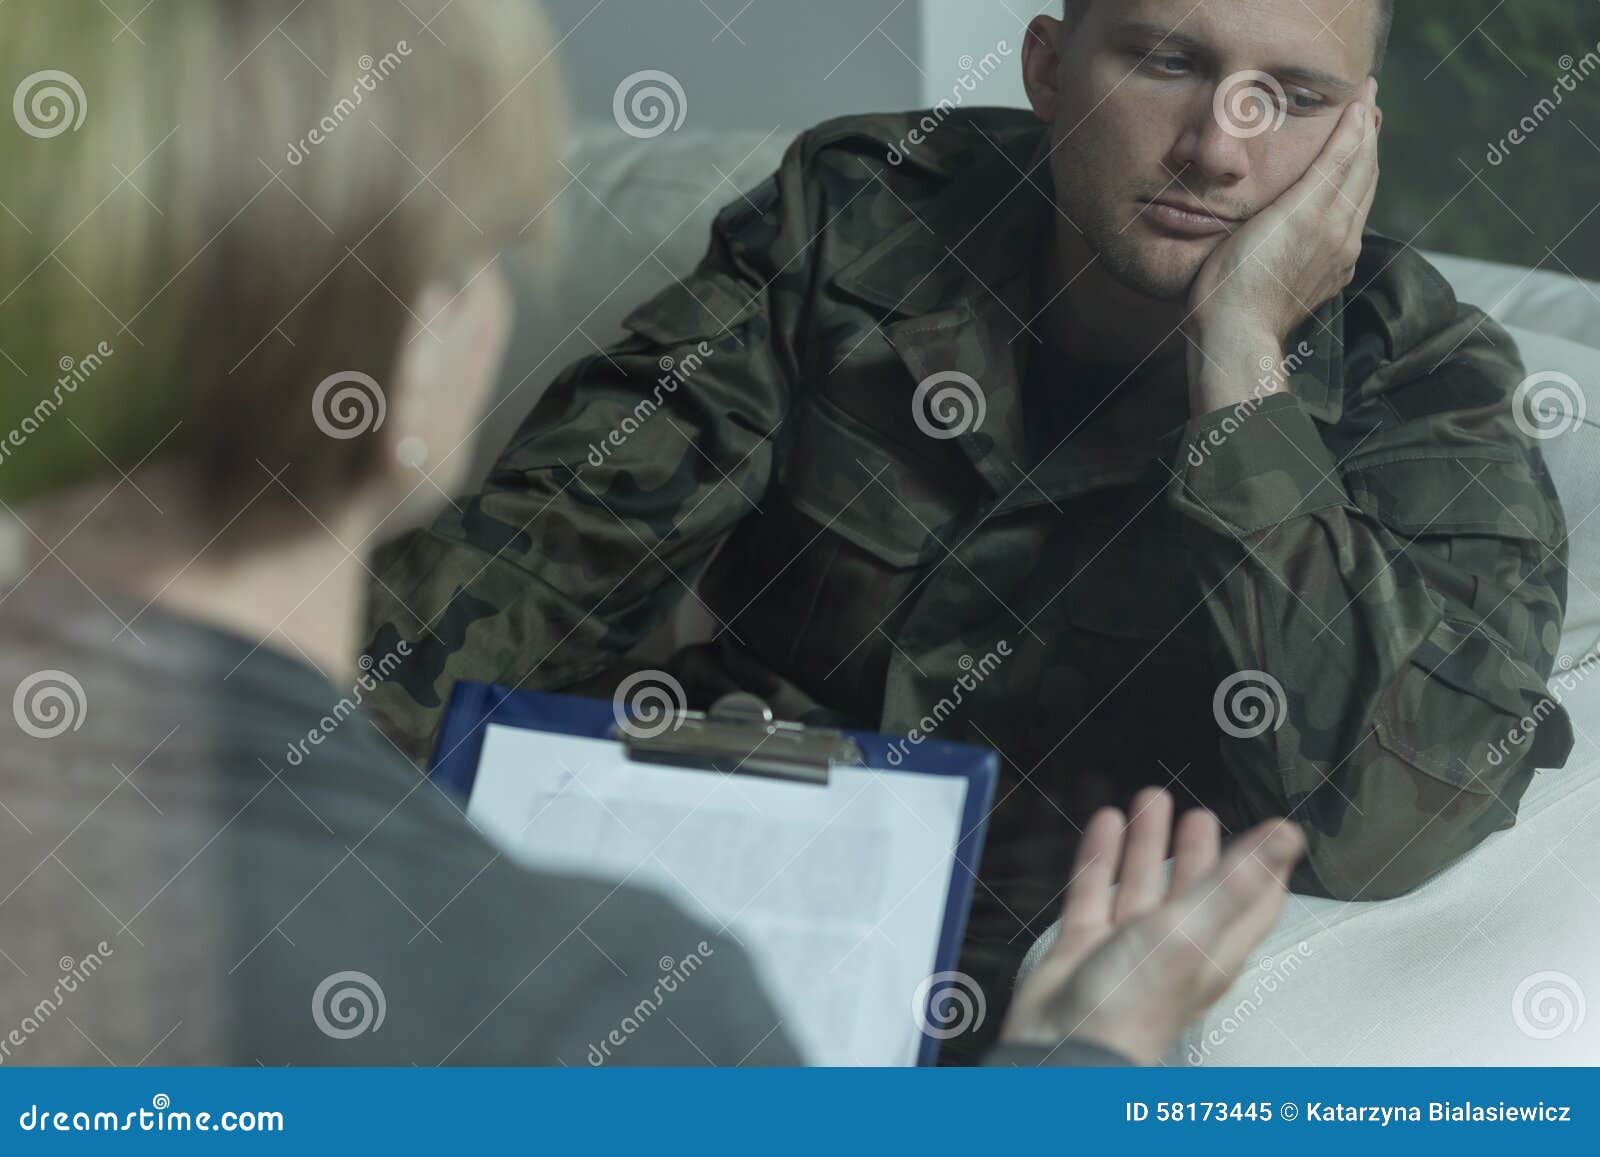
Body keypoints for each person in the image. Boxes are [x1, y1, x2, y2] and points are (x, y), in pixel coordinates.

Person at [0, 0, 1303, 1068]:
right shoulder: (604, 1001)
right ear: (421, 361)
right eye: (487, 260)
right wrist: (1080, 1063)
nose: (1215, 142)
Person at [362, 0, 1575, 1062]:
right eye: (1164, 63)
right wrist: (287, 758)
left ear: (1355, 138)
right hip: (696, 855)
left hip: (1010, 997)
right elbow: (545, 556)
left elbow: (1388, 815)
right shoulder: (866, 211)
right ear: (1048, 68)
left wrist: (1241, 364)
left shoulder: (1419, 385)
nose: (1217, 148)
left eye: (1294, 99)